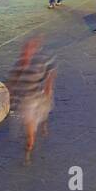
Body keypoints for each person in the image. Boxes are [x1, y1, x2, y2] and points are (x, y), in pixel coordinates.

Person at [8, 36, 56, 164]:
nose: (26, 52)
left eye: (29, 49)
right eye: (25, 50)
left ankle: (28, 150)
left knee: (31, 126)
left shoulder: (39, 63)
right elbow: (12, 82)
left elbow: (50, 73)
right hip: (24, 101)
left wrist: (48, 88)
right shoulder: (18, 65)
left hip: (35, 99)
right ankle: (32, 137)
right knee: (28, 123)